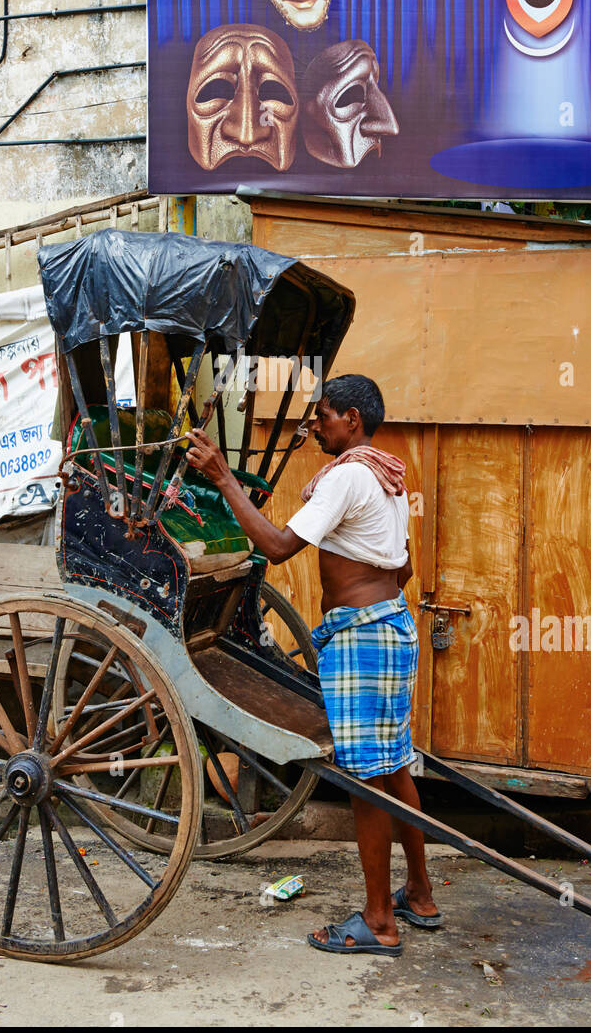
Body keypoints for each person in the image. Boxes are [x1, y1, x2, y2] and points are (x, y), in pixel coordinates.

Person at [184, 372, 442, 956]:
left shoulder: (351, 474)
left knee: (367, 781)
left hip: (364, 641)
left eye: (323, 415)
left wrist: (223, 477)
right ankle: (419, 894)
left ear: (352, 419)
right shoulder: (384, 473)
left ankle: (379, 923)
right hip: (389, 628)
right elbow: (403, 570)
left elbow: (276, 548)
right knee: (393, 769)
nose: (315, 426)